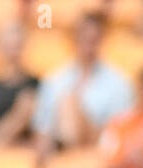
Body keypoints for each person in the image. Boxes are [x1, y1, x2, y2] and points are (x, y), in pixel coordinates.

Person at [32, 11, 134, 154]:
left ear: (102, 40)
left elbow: (118, 134)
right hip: (57, 152)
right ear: (74, 38)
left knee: (69, 102)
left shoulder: (119, 83)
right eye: (84, 38)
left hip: (98, 151)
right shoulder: (54, 79)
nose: (88, 45)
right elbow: (42, 130)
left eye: (93, 40)